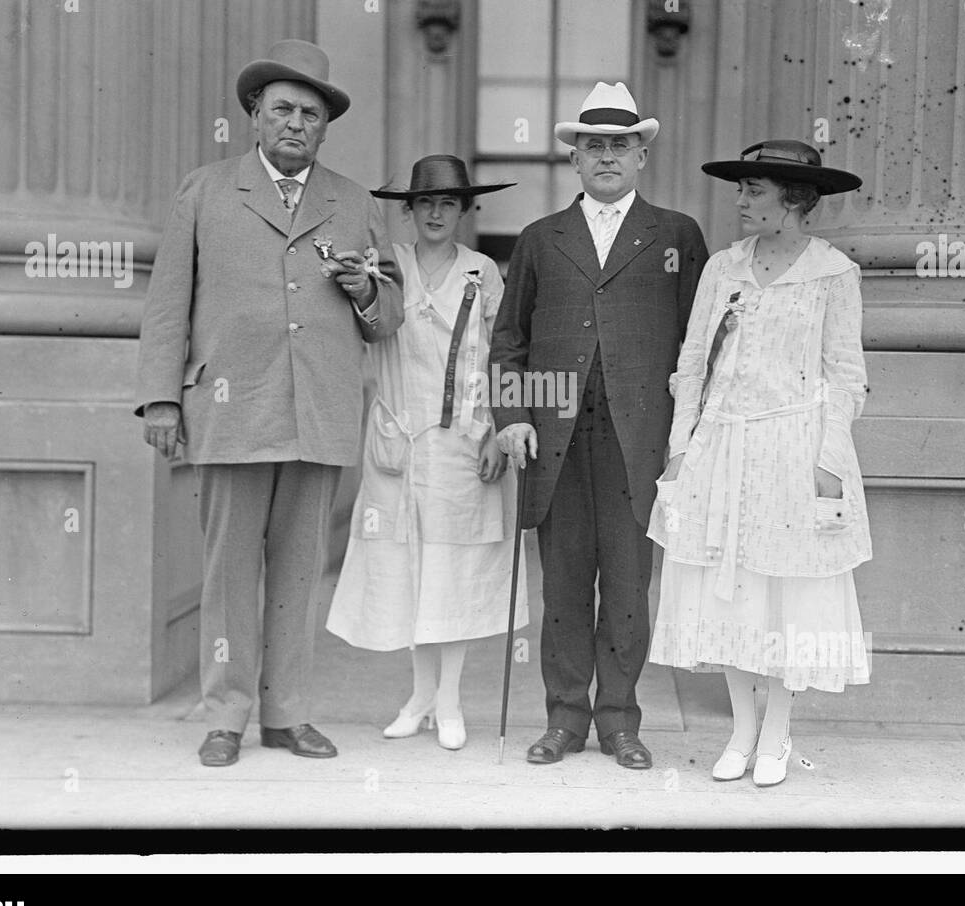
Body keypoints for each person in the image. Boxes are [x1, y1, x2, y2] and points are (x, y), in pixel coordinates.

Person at [135, 39, 404, 767]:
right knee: (228, 574)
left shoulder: (351, 201)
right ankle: (226, 715)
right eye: (282, 109)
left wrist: (364, 290)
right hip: (229, 410)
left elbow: (388, 319)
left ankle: (286, 716)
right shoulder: (205, 190)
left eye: (310, 114)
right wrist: (162, 400)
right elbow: (167, 306)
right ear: (254, 117)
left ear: (325, 127)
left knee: (298, 572)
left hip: (317, 411)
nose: (295, 123)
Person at [492, 82, 708, 769]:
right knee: (562, 582)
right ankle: (564, 720)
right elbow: (508, 342)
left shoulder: (675, 236)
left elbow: (698, 346)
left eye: (620, 144)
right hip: (556, 439)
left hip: (637, 438)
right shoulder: (539, 239)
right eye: (593, 145)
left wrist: (689, 439)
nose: (607, 156)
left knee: (625, 582)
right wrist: (511, 416)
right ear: (575, 160)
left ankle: (620, 719)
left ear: (642, 155)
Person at [647, 140, 872, 787]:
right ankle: (741, 729)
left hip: (793, 450)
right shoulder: (724, 268)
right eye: (740, 189)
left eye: (755, 191)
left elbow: (846, 376)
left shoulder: (832, 273)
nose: (741, 201)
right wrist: (682, 449)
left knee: (786, 597)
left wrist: (828, 460)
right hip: (721, 450)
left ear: (795, 199)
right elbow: (691, 364)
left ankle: (776, 732)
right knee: (730, 595)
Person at [326, 155, 527, 751]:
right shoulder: (388, 263)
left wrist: (498, 429)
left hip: (465, 443)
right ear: (408, 211)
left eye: (448, 204)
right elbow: (367, 324)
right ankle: (418, 696)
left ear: (465, 210)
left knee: (454, 570)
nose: (436, 213)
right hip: (397, 437)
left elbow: (506, 353)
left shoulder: (483, 271)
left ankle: (450, 700)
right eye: (425, 204)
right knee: (408, 569)